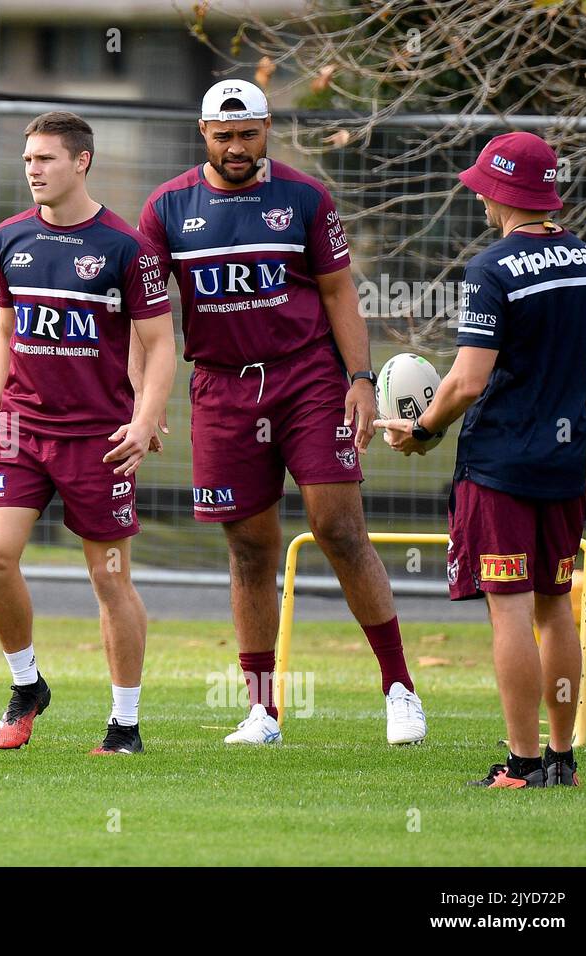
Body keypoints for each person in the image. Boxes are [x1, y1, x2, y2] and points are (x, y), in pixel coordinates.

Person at [139, 79, 427, 745]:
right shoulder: (166, 209)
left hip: (307, 382)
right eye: (223, 135)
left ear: (267, 129)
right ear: (203, 134)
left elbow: (338, 293)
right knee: (248, 549)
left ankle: (400, 690)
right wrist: (145, 404)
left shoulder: (304, 198)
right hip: (220, 389)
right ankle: (263, 711)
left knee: (340, 529)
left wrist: (360, 378)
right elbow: (149, 324)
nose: (236, 147)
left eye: (248, 133)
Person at [376, 131, 586, 787]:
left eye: (482, 183)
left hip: (502, 467)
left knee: (508, 606)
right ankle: (562, 761)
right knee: (554, 604)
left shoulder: (493, 269)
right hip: (564, 463)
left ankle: (522, 763)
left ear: (499, 190)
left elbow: (467, 381)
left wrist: (420, 430)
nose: (476, 193)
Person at [0, 111, 176, 755]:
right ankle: (27, 685)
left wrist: (144, 419)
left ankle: (124, 723)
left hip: (97, 438)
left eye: (46, 159)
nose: (33, 170)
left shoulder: (126, 247)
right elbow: (6, 335)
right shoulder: (9, 238)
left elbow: (160, 343)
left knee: (109, 577)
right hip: (20, 428)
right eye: (28, 159)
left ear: (81, 162)